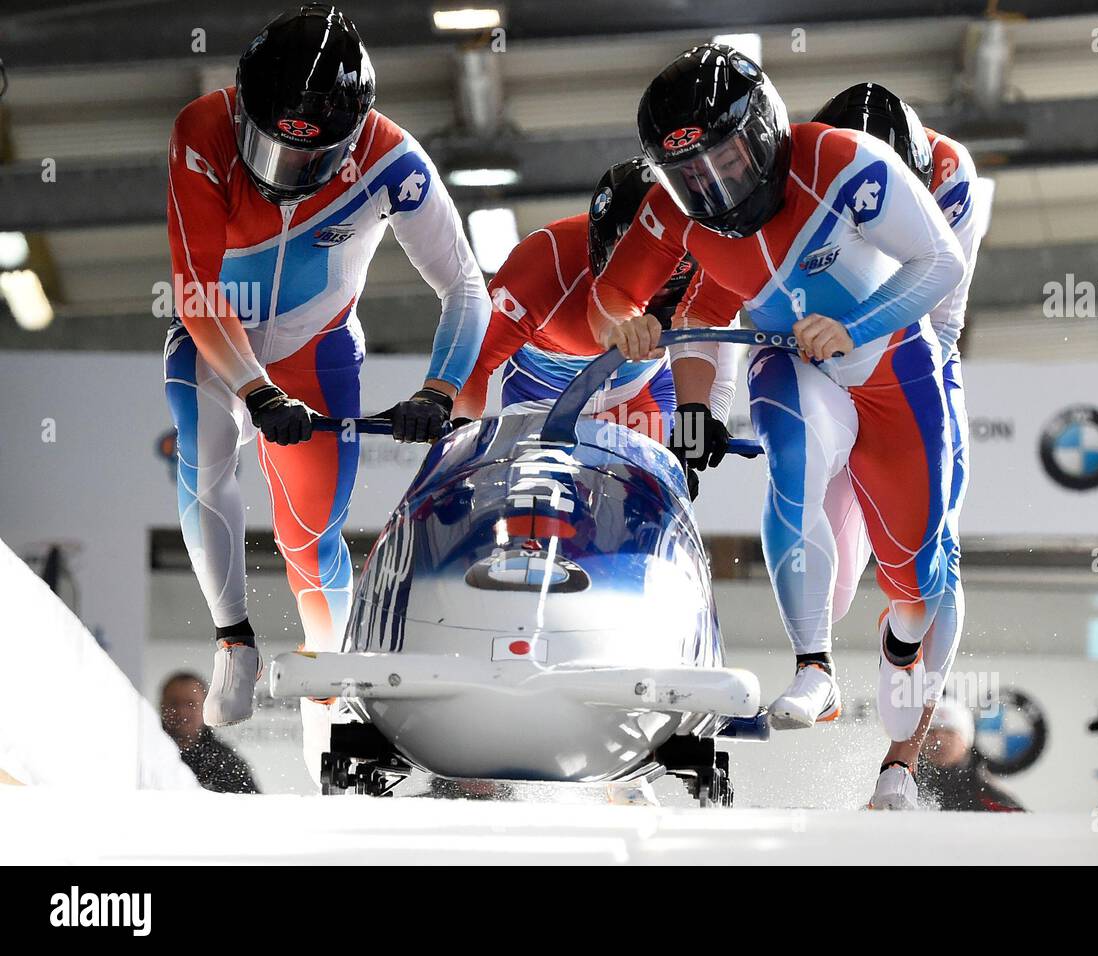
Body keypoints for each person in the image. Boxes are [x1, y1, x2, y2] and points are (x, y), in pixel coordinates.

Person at [588, 44, 965, 809]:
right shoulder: (674, 212)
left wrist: (854, 325)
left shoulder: (845, 163)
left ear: (761, 135)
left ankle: (900, 696)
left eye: (726, 163)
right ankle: (815, 670)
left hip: (894, 363)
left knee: (921, 580)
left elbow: (942, 265)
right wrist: (626, 328)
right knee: (790, 460)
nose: (714, 189)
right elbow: (628, 301)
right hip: (789, 363)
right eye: (690, 176)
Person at [163, 4, 489, 778]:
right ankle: (233, 640)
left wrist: (442, 389)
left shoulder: (394, 162)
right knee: (205, 443)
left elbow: (466, 285)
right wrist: (253, 388)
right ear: (241, 107)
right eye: (267, 146)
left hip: (318, 351)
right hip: (219, 336)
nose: (282, 171)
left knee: (309, 537)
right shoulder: (200, 132)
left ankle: (330, 694)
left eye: (306, 159)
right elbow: (194, 289)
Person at [807, 83, 983, 806]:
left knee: (931, 555)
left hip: (915, 352)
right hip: (825, 359)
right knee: (838, 581)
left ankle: (899, 766)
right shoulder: (800, 161)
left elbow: (937, 318)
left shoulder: (950, 174)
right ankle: (812, 662)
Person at [452, 157, 740, 495]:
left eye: (676, 269)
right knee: (537, 503)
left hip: (644, 392)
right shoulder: (541, 268)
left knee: (648, 498)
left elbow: (717, 364)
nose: (656, 290)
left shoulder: (714, 264)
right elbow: (474, 363)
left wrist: (694, 436)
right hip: (544, 400)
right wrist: (460, 445)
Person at [913, 697, 1024, 812]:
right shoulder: (904, 783)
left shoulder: (988, 793)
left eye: (949, 733)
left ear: (966, 741)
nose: (939, 740)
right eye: (930, 732)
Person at [159, 673, 259, 794]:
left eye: (190, 704)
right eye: (174, 703)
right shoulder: (143, 753)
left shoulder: (226, 763)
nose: (182, 712)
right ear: (161, 705)